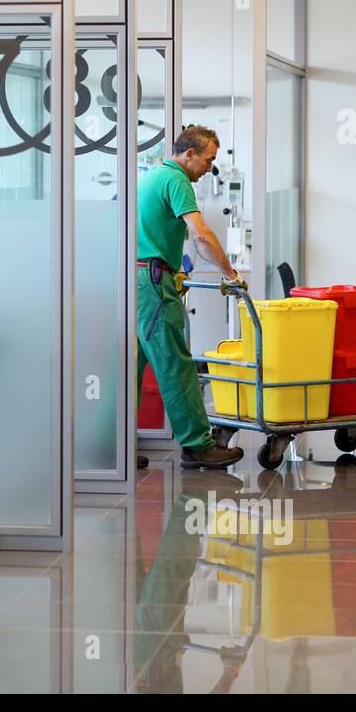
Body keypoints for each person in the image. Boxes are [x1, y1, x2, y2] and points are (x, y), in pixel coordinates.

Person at [137, 126, 244, 469]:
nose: (210, 168)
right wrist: (231, 273)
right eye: (209, 160)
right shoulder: (177, 179)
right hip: (152, 283)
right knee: (176, 364)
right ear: (189, 155)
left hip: (136, 278)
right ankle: (198, 445)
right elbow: (201, 236)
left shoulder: (153, 174)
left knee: (128, 368)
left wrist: (173, 271)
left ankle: (115, 449)